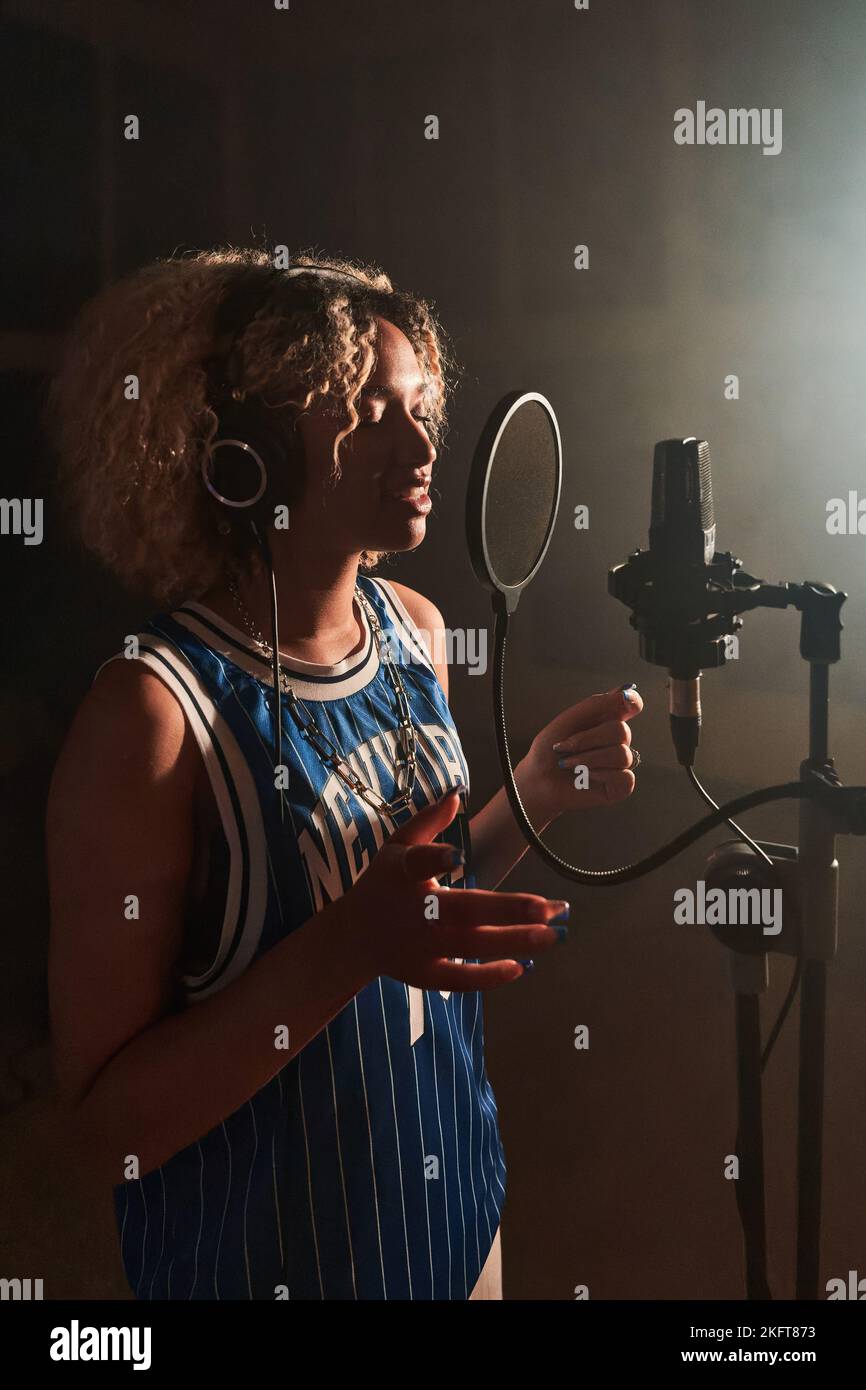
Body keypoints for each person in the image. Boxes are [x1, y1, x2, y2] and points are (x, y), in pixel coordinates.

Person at [45, 247, 642, 1300]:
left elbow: (420, 899)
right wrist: (346, 949)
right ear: (247, 452)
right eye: (368, 411)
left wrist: (533, 791)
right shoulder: (154, 714)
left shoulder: (412, 629)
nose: (420, 440)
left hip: (455, 1224)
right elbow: (107, 1135)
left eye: (420, 403)